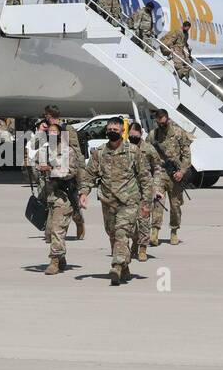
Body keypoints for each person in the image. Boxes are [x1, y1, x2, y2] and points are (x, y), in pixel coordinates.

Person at [81, 117, 151, 286]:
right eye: (110, 129)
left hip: (129, 201)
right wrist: (84, 193)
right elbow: (90, 175)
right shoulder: (99, 152)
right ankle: (124, 266)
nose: (112, 132)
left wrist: (146, 203)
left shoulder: (134, 152)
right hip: (107, 201)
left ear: (122, 132)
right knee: (112, 235)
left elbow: (145, 178)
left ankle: (116, 266)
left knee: (121, 233)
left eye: (116, 130)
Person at [33, 114, 87, 274]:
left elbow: (70, 172)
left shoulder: (68, 151)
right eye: (49, 132)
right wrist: (35, 168)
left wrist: (50, 170)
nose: (51, 134)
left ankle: (54, 261)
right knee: (49, 232)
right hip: (47, 196)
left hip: (63, 196)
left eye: (55, 132)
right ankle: (61, 256)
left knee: (57, 230)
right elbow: (35, 169)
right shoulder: (43, 151)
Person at [146, 109, 192, 245]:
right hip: (159, 173)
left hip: (176, 175)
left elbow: (187, 155)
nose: (161, 124)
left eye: (163, 120)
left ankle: (174, 231)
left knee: (175, 205)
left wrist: (182, 172)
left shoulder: (178, 133)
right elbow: (144, 152)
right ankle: (154, 231)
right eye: (158, 121)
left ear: (167, 118)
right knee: (157, 202)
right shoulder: (152, 135)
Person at [44, 105, 85, 238]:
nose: (45, 118)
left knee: (73, 203)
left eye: (46, 116)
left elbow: (75, 151)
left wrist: (80, 173)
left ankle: (79, 221)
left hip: (68, 173)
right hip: (53, 173)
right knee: (53, 203)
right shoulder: (47, 130)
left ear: (51, 116)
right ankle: (52, 231)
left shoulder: (66, 129)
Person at [128, 123, 164, 260]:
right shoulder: (125, 149)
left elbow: (157, 169)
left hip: (146, 190)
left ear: (140, 134)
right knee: (130, 222)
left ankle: (142, 248)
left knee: (143, 220)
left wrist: (156, 187)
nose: (132, 138)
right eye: (130, 135)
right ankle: (134, 245)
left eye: (135, 136)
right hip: (129, 190)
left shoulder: (149, 149)